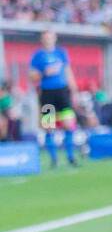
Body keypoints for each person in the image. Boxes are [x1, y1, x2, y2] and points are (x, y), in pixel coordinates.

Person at [28, 30, 81, 168]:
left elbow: (68, 72)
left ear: (54, 38)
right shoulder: (38, 56)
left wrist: (74, 91)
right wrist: (44, 73)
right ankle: (54, 159)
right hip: (47, 93)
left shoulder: (61, 53)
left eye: (50, 37)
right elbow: (31, 76)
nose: (48, 40)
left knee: (69, 123)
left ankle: (70, 157)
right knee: (48, 126)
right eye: (45, 37)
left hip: (62, 92)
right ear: (42, 39)